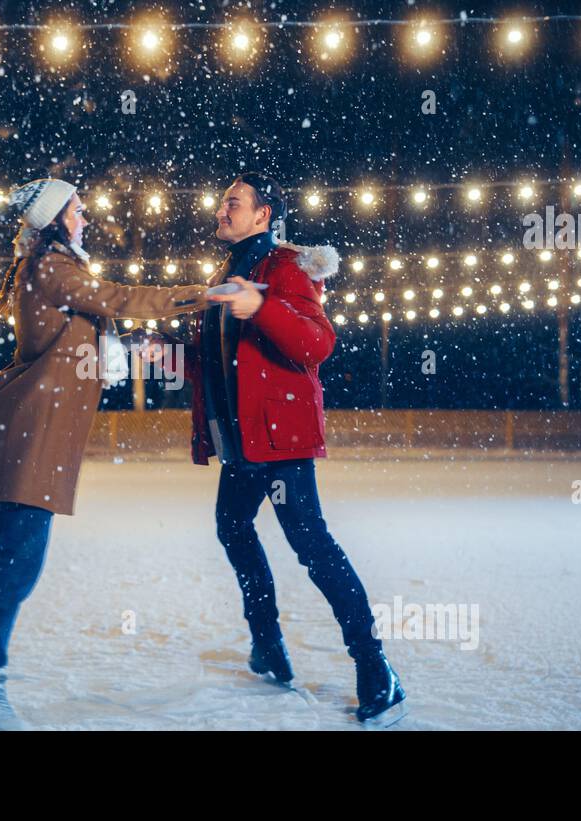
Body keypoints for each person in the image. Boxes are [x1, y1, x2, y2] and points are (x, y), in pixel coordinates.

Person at [0, 178, 212, 730]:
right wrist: (203, 291)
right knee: (19, 558)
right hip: (34, 427)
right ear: (54, 219)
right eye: (78, 210)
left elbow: (77, 342)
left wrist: (128, 347)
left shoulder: (49, 269)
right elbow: (119, 298)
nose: (85, 219)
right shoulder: (55, 267)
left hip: (24, 421)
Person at [143, 171, 407, 725]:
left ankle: (375, 667)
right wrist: (163, 352)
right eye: (221, 203)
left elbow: (318, 343)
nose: (221, 210)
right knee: (232, 527)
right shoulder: (226, 273)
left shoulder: (284, 267)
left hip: (279, 441)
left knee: (312, 547)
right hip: (240, 441)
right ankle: (268, 643)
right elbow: (212, 362)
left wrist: (259, 306)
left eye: (233, 203)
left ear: (263, 215)